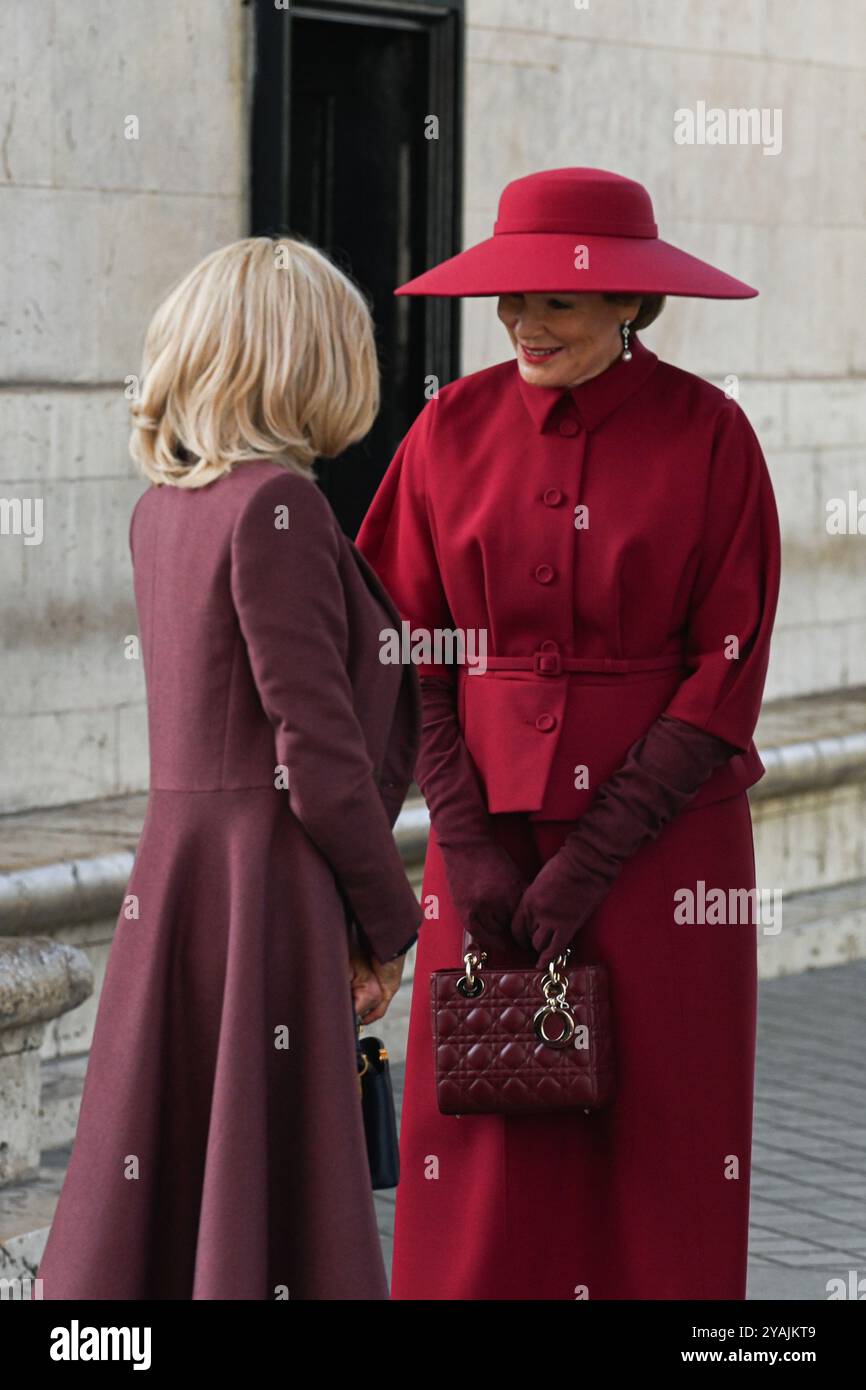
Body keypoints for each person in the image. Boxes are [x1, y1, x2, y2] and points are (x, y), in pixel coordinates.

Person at [356, 167, 782, 1300]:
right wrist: (468, 834)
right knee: (486, 1146)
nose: (522, 323)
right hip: (482, 840)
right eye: (510, 298)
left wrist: (593, 857)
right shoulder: (447, 430)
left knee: (660, 1147)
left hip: (663, 857)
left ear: (630, 305)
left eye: (557, 300)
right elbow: (409, 647)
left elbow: (723, 669)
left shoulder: (711, 436)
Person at [38, 237, 422, 1300]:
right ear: (304, 361)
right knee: (264, 1172)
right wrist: (391, 921)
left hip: (182, 876)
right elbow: (318, 755)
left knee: (164, 1166)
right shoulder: (276, 508)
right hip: (267, 880)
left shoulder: (163, 510)